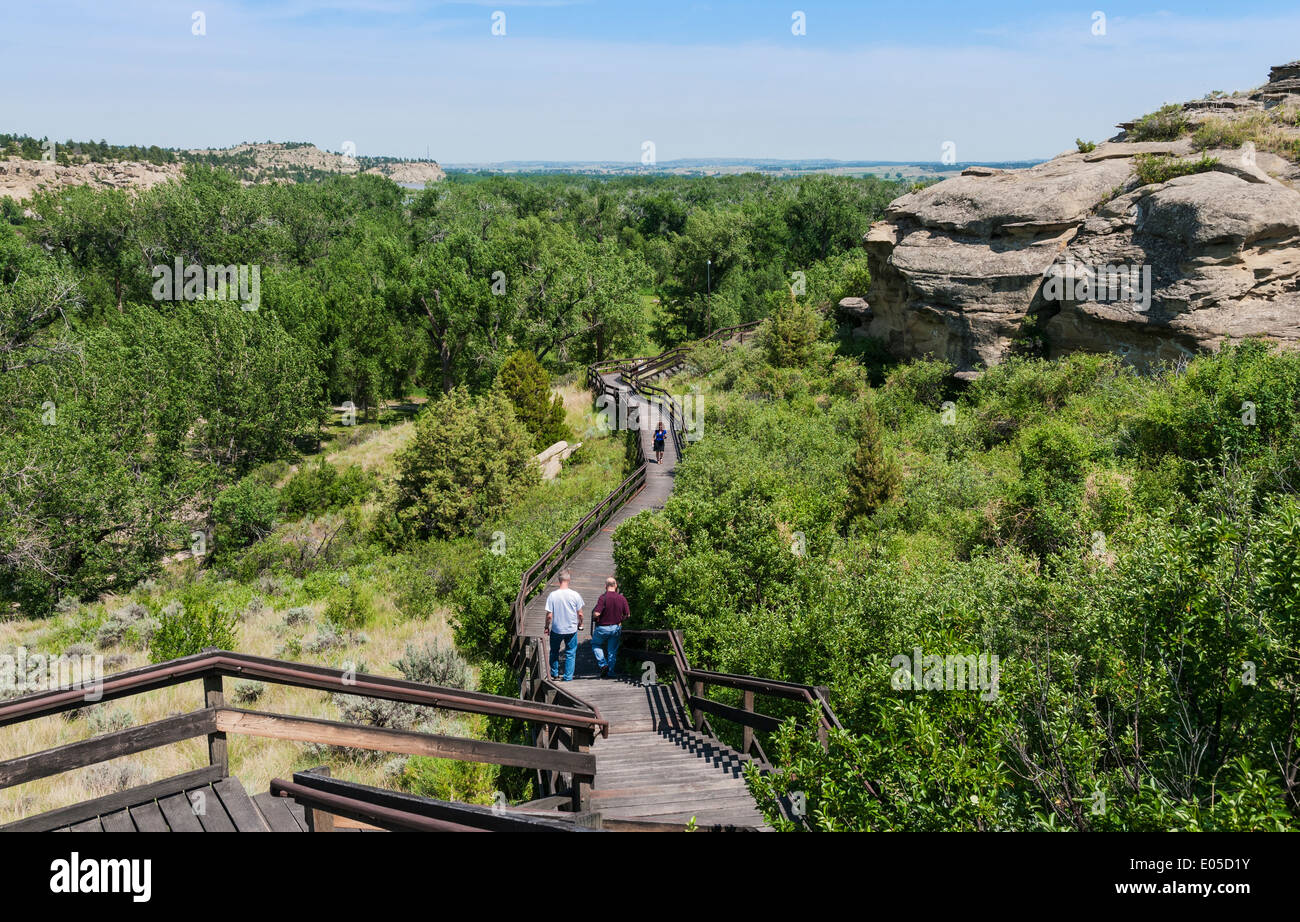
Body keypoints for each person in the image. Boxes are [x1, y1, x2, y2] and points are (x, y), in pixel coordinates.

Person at [544, 570, 584, 682]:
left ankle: (554, 674)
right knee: (570, 653)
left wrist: (546, 627)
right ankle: (568, 677)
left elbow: (549, 616)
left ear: (559, 580)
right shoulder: (575, 595)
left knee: (554, 651)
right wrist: (580, 623)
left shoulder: (552, 595)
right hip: (571, 629)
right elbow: (580, 613)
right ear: (569, 580)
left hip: (557, 629)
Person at [590, 576, 630, 679]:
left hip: (602, 628)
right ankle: (611, 672)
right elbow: (627, 615)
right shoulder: (622, 598)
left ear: (605, 586)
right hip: (616, 628)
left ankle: (603, 664)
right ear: (615, 586)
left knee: (595, 644)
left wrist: (594, 615)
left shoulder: (603, 598)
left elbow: (597, 613)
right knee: (612, 650)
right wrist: (621, 620)